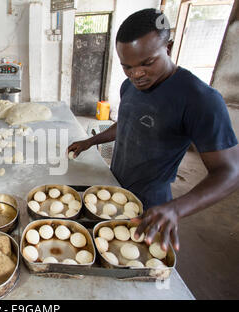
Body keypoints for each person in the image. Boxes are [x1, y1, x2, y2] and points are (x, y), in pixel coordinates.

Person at [68, 9, 239, 252]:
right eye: (127, 67)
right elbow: (129, 123)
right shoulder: (129, 86)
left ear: (168, 47)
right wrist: (91, 141)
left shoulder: (199, 99)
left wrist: (176, 209)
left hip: (152, 206)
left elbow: (230, 172)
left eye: (147, 63)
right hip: (114, 188)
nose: (137, 74)